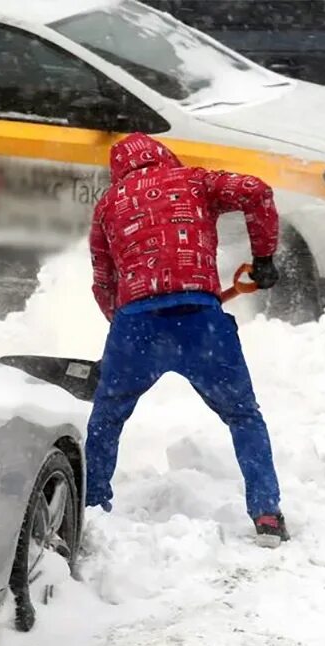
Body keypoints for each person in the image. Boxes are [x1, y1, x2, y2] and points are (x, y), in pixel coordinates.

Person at [85, 132, 289, 545]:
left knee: (106, 419)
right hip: (201, 322)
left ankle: (89, 512)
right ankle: (266, 514)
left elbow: (103, 282)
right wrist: (264, 257)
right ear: (165, 156)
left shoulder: (108, 205)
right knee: (243, 416)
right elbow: (256, 191)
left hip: (137, 325)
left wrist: (122, 337)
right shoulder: (194, 180)